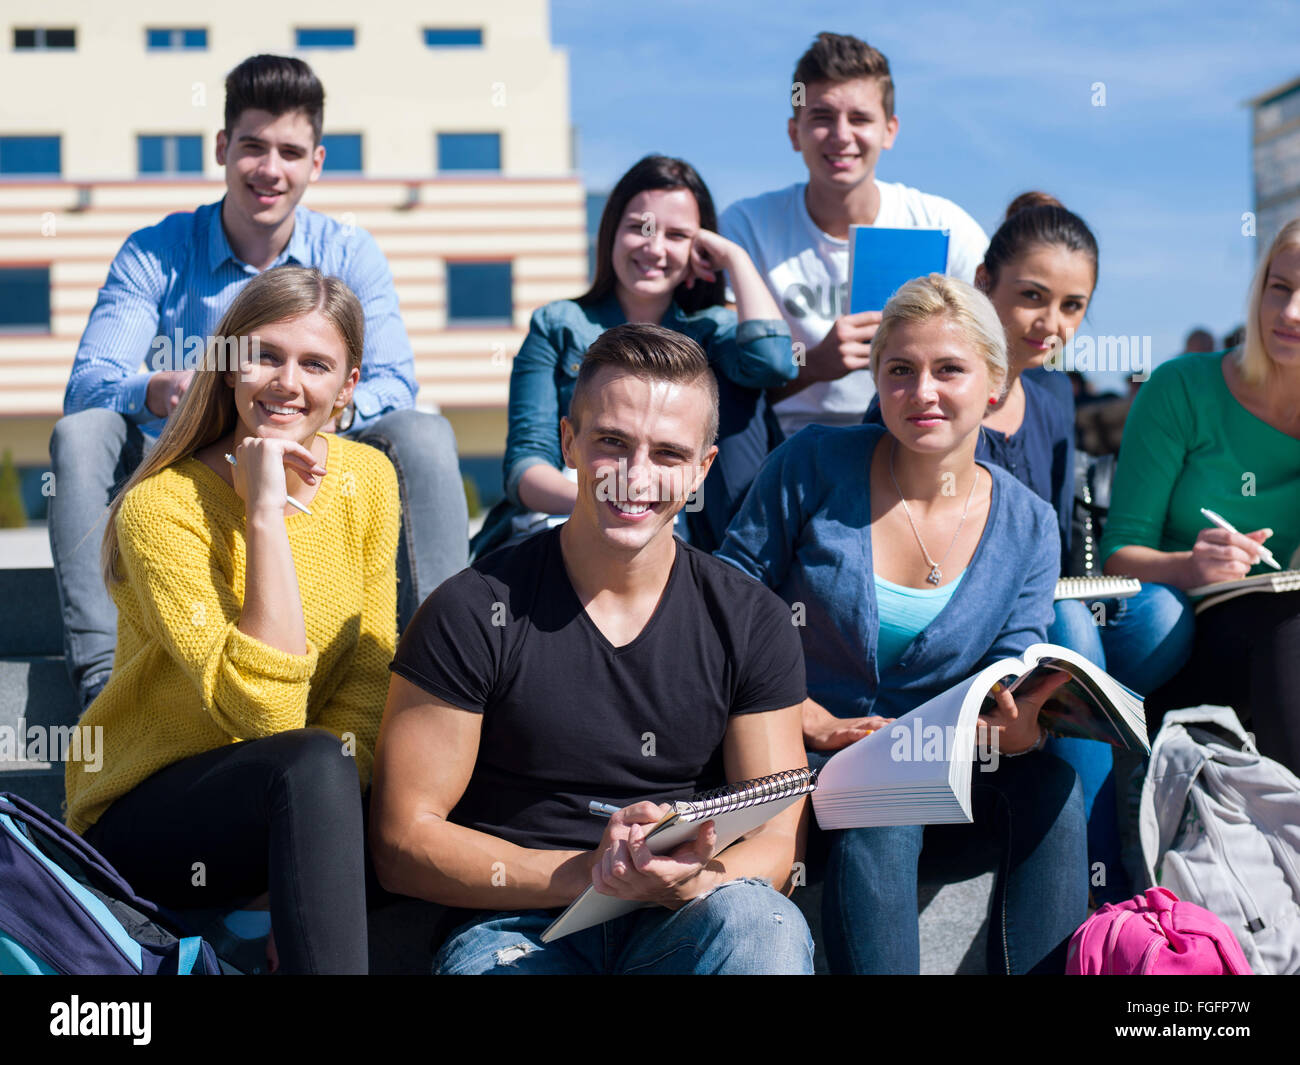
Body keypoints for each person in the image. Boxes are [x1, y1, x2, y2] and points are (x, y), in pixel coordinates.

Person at [371, 323, 814, 976]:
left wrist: (690, 881)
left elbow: (779, 836)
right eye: (612, 442)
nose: (635, 477)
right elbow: (401, 840)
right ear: (569, 442)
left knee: (766, 928)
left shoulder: (751, 620)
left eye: (668, 453)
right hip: (521, 925)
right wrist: (586, 873)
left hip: (683, 917)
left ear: (702, 469)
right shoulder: (471, 610)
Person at [50, 53, 466, 712]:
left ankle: (446, 679)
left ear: (317, 162)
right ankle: (101, 682)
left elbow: (394, 381)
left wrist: (307, 417)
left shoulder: (350, 253)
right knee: (81, 433)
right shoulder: (155, 251)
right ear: (222, 148)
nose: (270, 169)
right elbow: (90, 382)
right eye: (252, 147)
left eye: (290, 152)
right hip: (183, 466)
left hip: (314, 460)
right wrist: (157, 390)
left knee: (423, 431)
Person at [717, 274, 1087, 974]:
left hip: (944, 774)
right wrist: (809, 715)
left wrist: (1016, 722)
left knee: (1051, 789)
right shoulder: (813, 463)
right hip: (800, 766)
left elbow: (1014, 658)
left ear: (995, 384)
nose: (923, 392)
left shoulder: (1030, 523)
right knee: (884, 802)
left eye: (949, 369)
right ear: (877, 380)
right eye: (900, 371)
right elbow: (723, 610)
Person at [64, 266, 398, 975]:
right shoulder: (164, 506)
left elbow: (370, 680)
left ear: (348, 385)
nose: (287, 382)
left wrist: (308, 854)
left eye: (316, 364)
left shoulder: (368, 479)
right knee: (311, 761)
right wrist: (265, 511)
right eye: (266, 355)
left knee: (379, 777)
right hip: (146, 814)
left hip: (300, 794)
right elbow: (268, 714)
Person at [473, 154, 795, 558]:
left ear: (700, 247)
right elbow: (525, 467)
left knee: (738, 388)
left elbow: (773, 362)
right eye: (638, 228)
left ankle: (740, 574)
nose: (654, 247)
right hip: (567, 519)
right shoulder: (558, 325)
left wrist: (735, 258)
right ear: (610, 234)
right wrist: (615, 506)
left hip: (681, 534)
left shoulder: (711, 330)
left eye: (677, 235)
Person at [720, 31, 988, 440]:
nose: (842, 136)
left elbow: (993, 350)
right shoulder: (747, 225)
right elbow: (722, 378)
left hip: (912, 435)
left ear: (889, 130)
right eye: (822, 118)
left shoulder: (943, 225)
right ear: (795, 132)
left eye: (860, 119)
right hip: (782, 439)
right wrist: (814, 365)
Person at [1102, 219, 1300, 773]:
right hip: (1185, 634)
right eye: (1278, 288)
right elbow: (1120, 553)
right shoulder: (1181, 388)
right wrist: (1194, 565)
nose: (1289, 312)